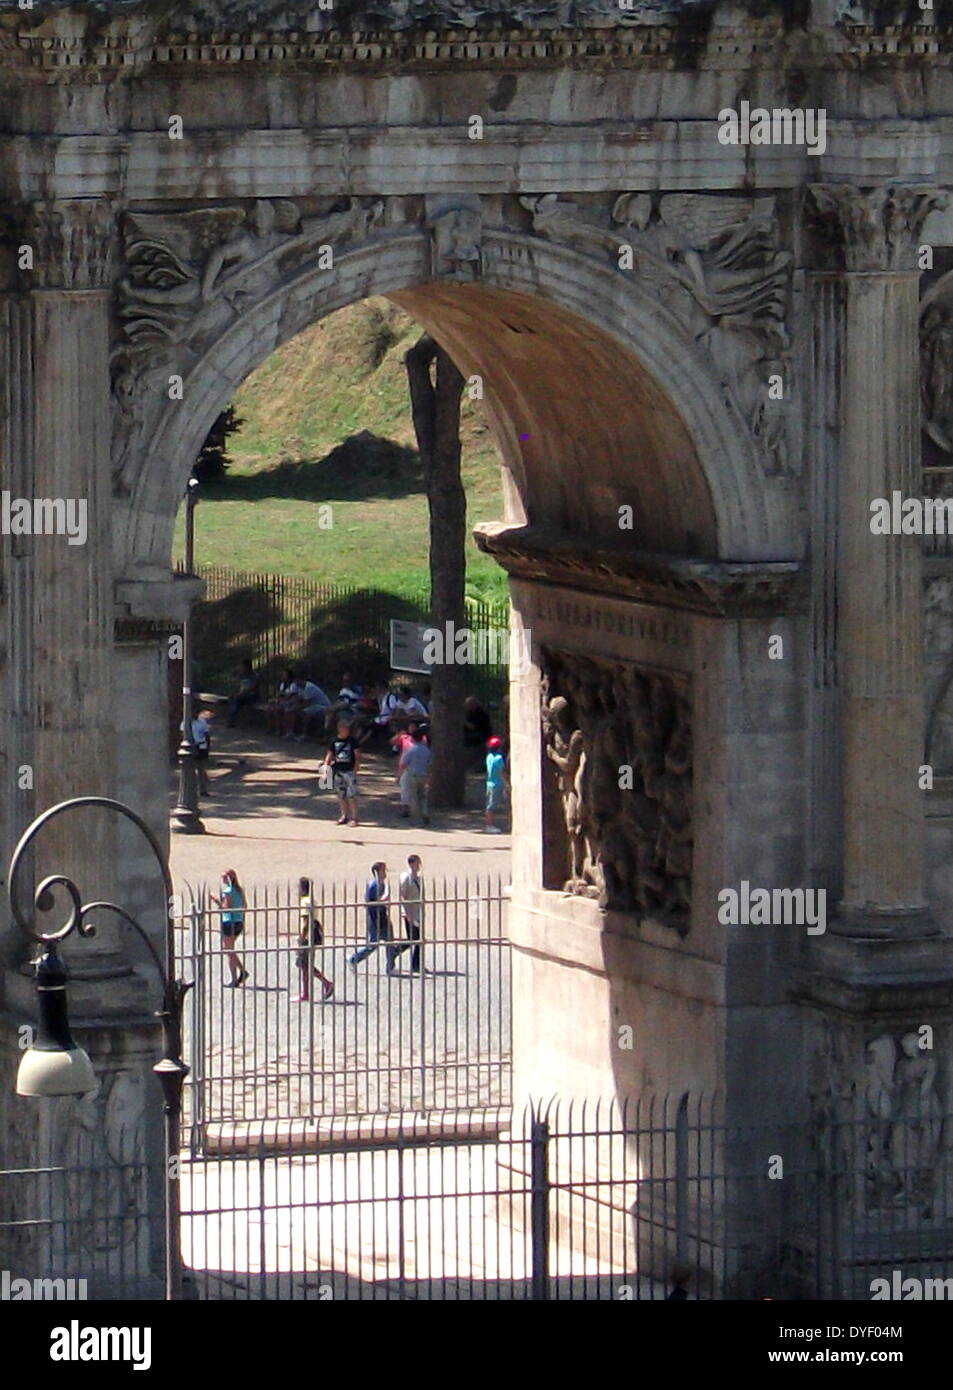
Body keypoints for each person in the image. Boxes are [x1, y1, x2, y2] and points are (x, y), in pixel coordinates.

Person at [349, 862, 398, 974]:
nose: (385, 873)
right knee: (372, 945)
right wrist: (383, 899)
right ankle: (353, 959)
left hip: (383, 917)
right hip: (374, 919)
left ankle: (390, 967)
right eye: (383, 870)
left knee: (390, 941)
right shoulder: (373, 885)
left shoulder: (382, 885)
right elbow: (368, 902)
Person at [295, 875, 333, 1002]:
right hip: (312, 934)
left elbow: (306, 922)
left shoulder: (305, 901)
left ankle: (326, 983)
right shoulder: (311, 900)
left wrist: (301, 937)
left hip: (307, 936)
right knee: (304, 965)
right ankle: (305, 992)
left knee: (305, 964)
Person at [209, 869, 248, 986]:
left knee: (228, 950)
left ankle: (240, 973)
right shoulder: (239, 891)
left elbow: (226, 908)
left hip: (229, 922)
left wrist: (215, 900)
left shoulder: (227, 891)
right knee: (230, 950)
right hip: (238, 922)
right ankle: (236, 977)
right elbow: (245, 906)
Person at [324, 718, 360, 826]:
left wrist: (356, 767)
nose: (346, 730)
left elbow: (357, 755)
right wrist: (326, 769)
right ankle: (344, 816)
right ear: (339, 729)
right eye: (344, 728)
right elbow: (329, 755)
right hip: (338, 770)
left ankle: (354, 817)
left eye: (347, 728)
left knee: (352, 795)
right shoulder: (334, 741)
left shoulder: (353, 741)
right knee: (341, 795)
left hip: (349, 770)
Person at [394, 854, 424, 974]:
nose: (419, 866)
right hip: (409, 913)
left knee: (417, 939)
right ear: (411, 864)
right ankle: (396, 950)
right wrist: (406, 913)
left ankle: (416, 964)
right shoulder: (406, 878)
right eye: (417, 863)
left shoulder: (417, 878)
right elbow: (403, 896)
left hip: (417, 912)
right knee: (414, 939)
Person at [398, 727, 432, 826]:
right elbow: (430, 764)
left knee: (413, 797)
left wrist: (400, 775)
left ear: (413, 738)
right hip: (423, 774)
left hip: (412, 774)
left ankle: (417, 820)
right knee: (422, 796)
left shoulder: (410, 750)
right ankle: (425, 812)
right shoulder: (427, 750)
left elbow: (403, 763)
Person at [485, 735, 509, 833]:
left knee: (490, 805)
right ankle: (490, 826)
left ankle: (489, 824)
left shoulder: (489, 757)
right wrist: (507, 783)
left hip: (489, 783)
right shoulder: (499, 758)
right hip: (498, 784)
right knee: (495, 805)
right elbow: (502, 771)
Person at [227, 659, 260, 728]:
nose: (242, 668)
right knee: (234, 699)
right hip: (241, 696)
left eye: (243, 667)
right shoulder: (241, 675)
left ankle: (231, 719)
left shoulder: (254, 676)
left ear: (248, 667)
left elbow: (253, 688)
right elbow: (237, 686)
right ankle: (231, 720)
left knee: (237, 699)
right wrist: (235, 693)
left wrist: (242, 693)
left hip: (251, 696)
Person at [266, 668, 297, 735]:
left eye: (284, 675)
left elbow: (291, 696)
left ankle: (281, 730)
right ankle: (272, 728)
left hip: (289, 703)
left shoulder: (293, 685)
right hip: (282, 702)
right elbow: (279, 695)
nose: (282, 676)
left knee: (277, 710)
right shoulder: (282, 684)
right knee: (269, 709)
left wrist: (281, 697)